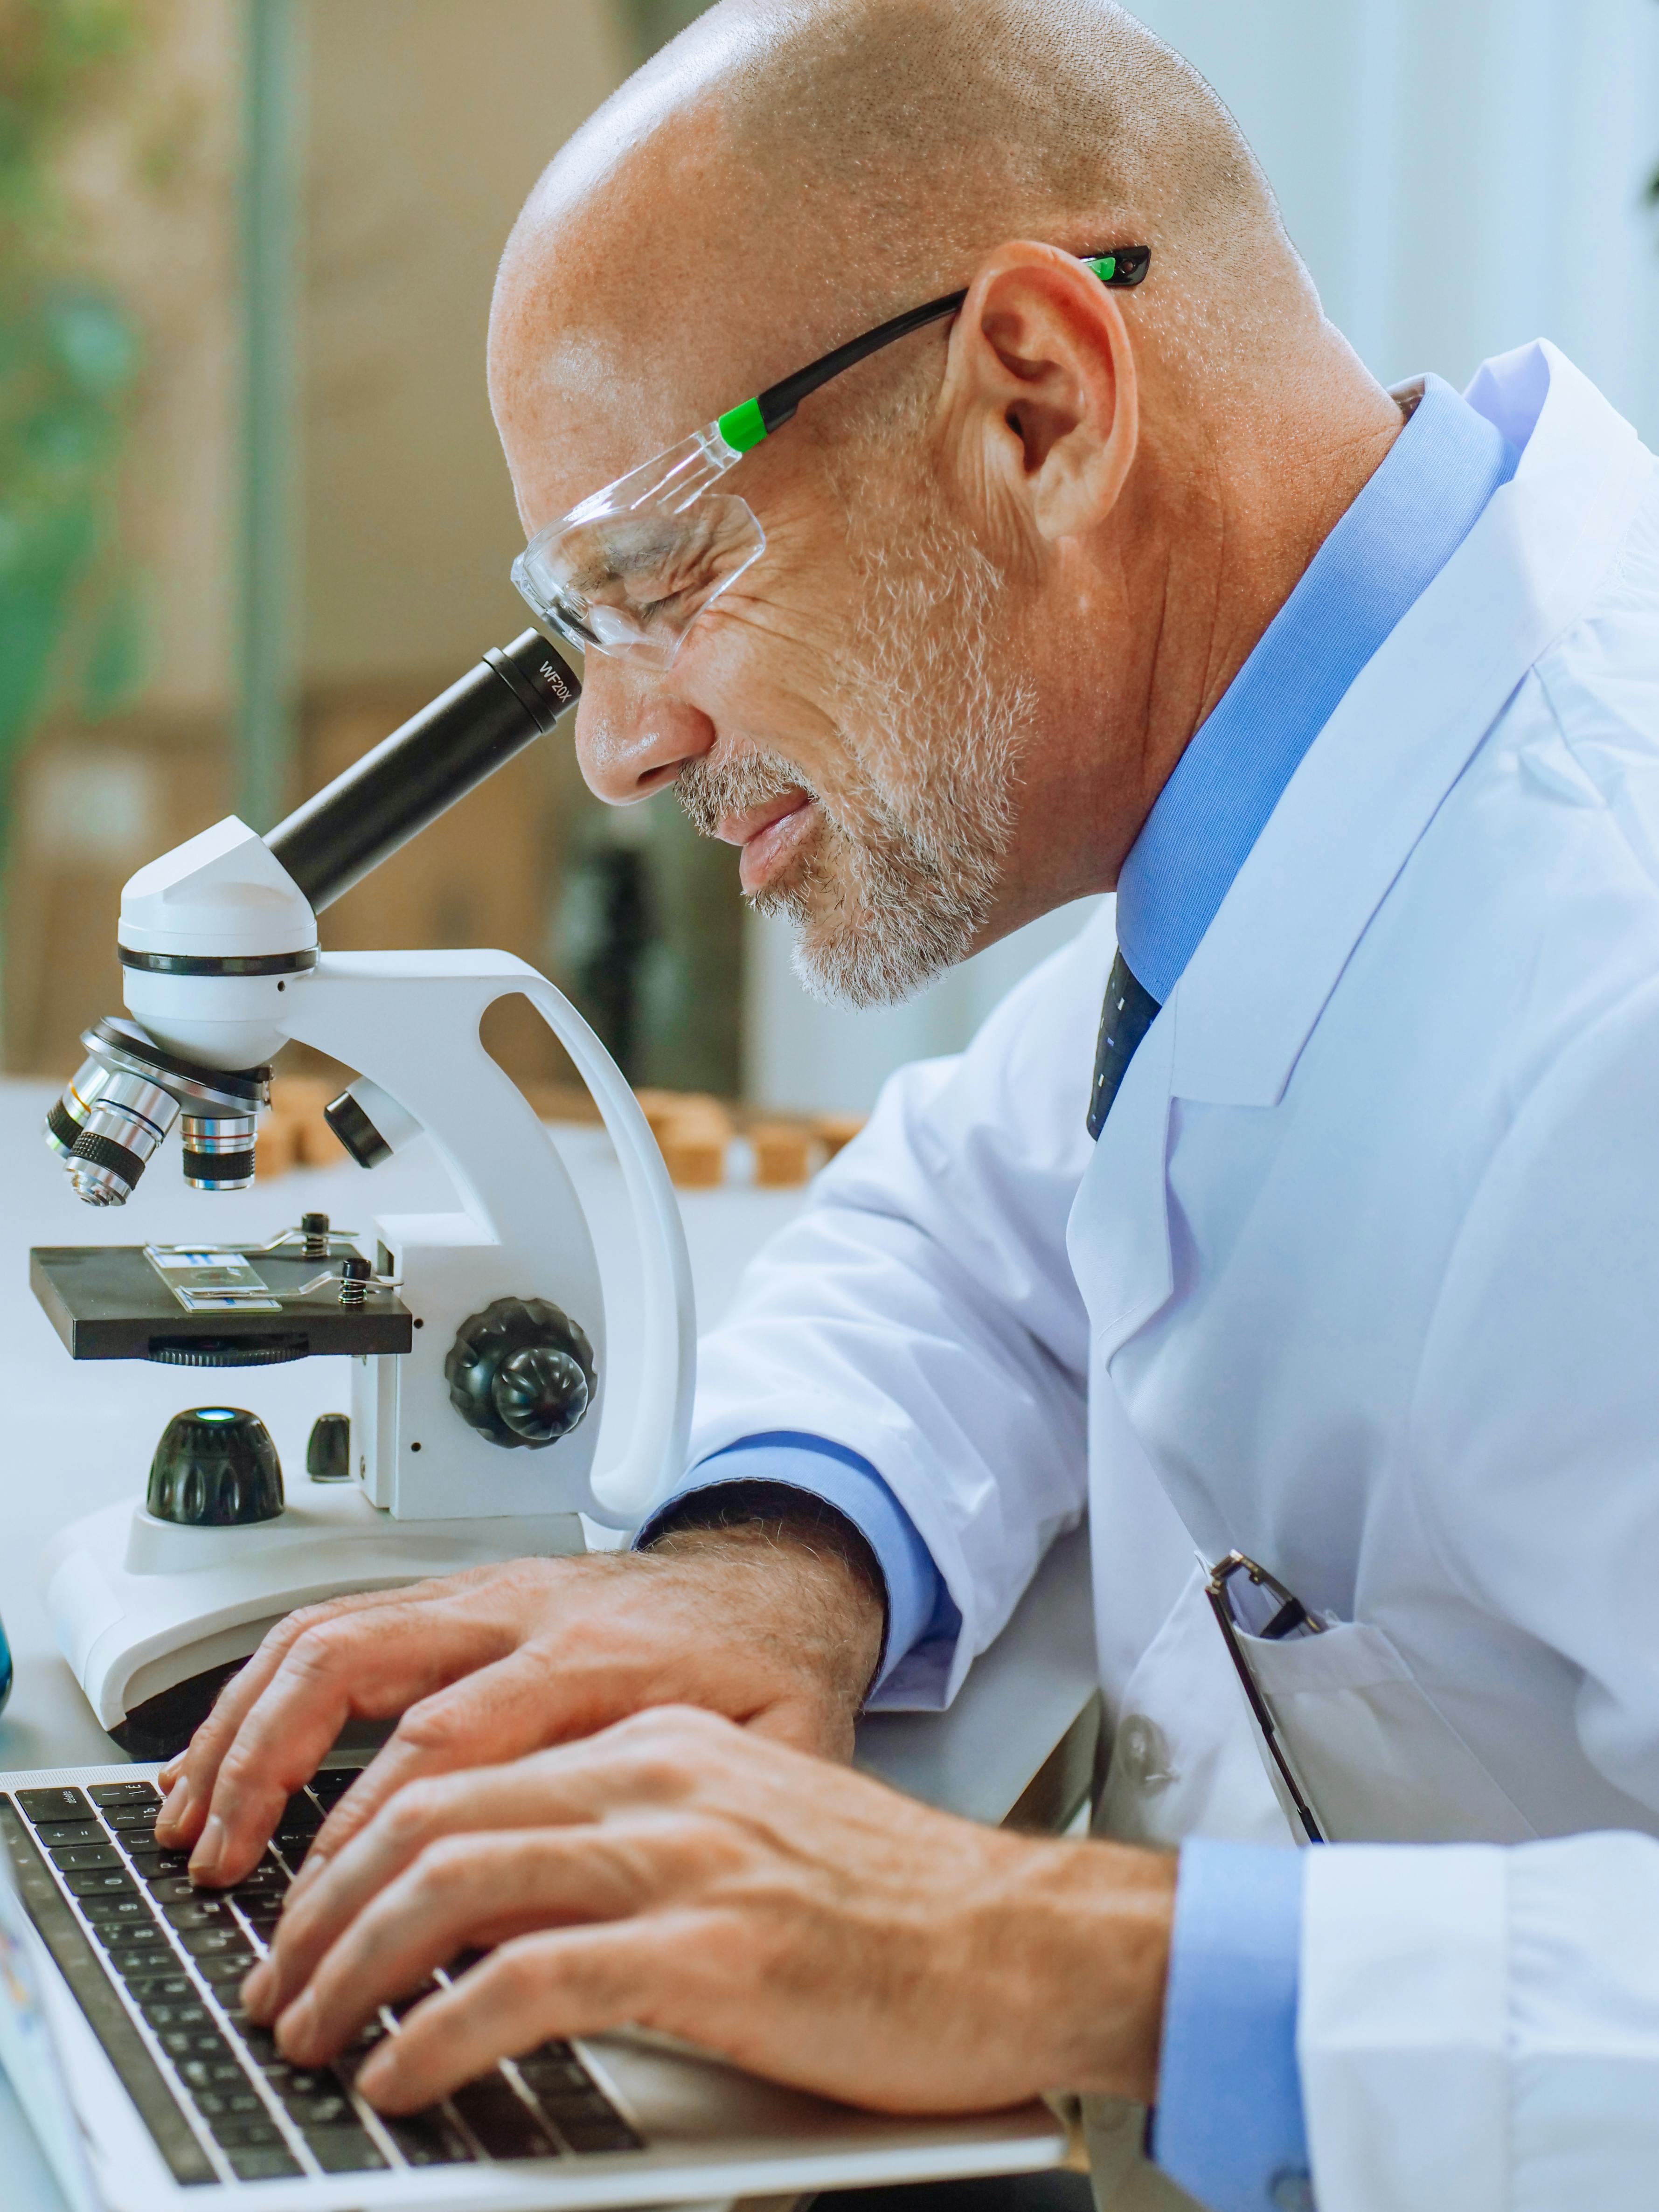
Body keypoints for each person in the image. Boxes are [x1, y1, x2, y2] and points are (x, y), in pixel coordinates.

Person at [154, 3, 1659, 2206]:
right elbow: (981, 1221)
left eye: (656, 577)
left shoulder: (1605, 960)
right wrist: (769, 1573)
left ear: (1033, 400)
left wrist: (1044, 1952)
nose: (622, 752)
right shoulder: (1279, 795)